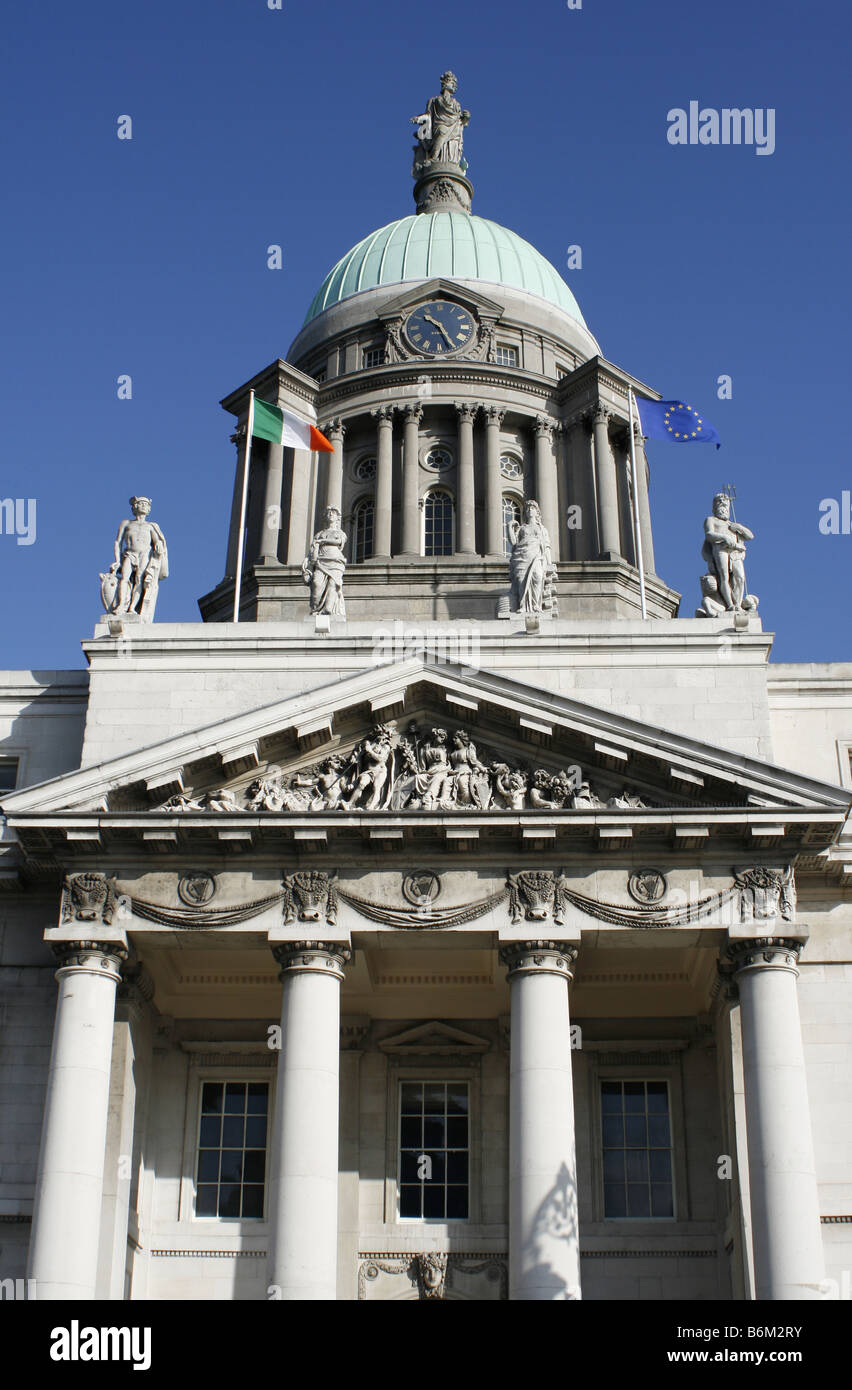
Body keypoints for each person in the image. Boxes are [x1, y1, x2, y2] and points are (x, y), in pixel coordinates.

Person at [108, 496, 168, 620]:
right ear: (135, 507)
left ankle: (132, 608)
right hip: (129, 554)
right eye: (141, 504)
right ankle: (121, 606)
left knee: (140, 580)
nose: (144, 506)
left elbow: (158, 541)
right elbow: (117, 542)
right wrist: (117, 560)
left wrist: (158, 544)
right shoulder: (127, 523)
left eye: (146, 504)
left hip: (144, 555)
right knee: (124, 578)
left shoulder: (151, 526)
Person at [509, 500, 554, 615]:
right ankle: (523, 605)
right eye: (528, 508)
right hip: (521, 556)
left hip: (536, 556)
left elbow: (546, 545)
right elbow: (514, 542)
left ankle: (535, 605)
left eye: (532, 508)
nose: (530, 510)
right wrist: (509, 527)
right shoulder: (522, 528)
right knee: (521, 580)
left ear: (537, 512)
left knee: (538, 576)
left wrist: (549, 563)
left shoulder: (542, 529)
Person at [303, 507, 347, 616]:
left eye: (334, 513)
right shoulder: (319, 534)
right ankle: (316, 609)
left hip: (336, 562)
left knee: (333, 585)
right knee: (316, 584)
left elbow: (338, 542)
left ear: (338, 518)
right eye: (329, 513)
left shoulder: (340, 533)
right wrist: (307, 562)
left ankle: (328, 609)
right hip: (320, 562)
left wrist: (322, 541)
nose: (331, 514)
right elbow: (312, 550)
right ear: (325, 517)